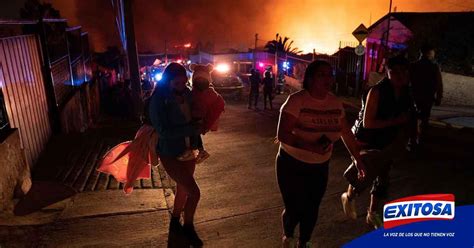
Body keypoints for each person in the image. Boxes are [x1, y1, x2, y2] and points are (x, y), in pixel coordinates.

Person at [276, 60, 366, 248]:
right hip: (291, 163)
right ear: (310, 78)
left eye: (330, 75)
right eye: (322, 75)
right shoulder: (296, 101)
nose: (328, 79)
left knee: (312, 207)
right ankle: (288, 236)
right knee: (294, 208)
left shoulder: (334, 102)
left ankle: (304, 242)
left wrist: (357, 159)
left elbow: (345, 132)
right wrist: (311, 147)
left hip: (319, 166)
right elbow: (282, 134)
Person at [341, 56, 415, 229]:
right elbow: (368, 123)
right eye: (394, 72)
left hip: (388, 140)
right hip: (367, 139)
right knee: (364, 174)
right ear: (387, 72)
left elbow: (408, 117)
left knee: (383, 177)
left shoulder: (406, 92)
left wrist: (408, 135)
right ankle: (349, 196)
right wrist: (397, 121)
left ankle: (372, 213)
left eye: (403, 72)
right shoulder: (376, 91)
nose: (400, 76)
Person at [148, 63, 203, 246]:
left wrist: (199, 129)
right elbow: (162, 131)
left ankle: (175, 221)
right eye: (177, 83)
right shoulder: (158, 99)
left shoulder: (188, 93)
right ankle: (188, 227)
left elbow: (194, 117)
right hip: (169, 152)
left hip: (189, 150)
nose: (182, 86)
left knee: (182, 188)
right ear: (167, 81)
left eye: (184, 82)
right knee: (194, 192)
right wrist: (190, 128)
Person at [177, 63, 225, 164]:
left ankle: (192, 150)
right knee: (195, 134)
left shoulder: (208, 93)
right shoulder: (196, 92)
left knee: (192, 133)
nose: (200, 82)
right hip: (196, 117)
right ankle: (201, 151)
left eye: (202, 80)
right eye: (198, 80)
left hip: (199, 117)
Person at [408, 44, 443, 149]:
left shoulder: (413, 65)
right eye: (432, 53)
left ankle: (412, 141)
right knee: (424, 120)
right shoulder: (434, 67)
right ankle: (420, 141)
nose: (434, 55)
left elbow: (407, 81)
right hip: (427, 97)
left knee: (413, 119)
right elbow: (439, 84)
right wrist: (439, 97)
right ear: (429, 53)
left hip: (414, 96)